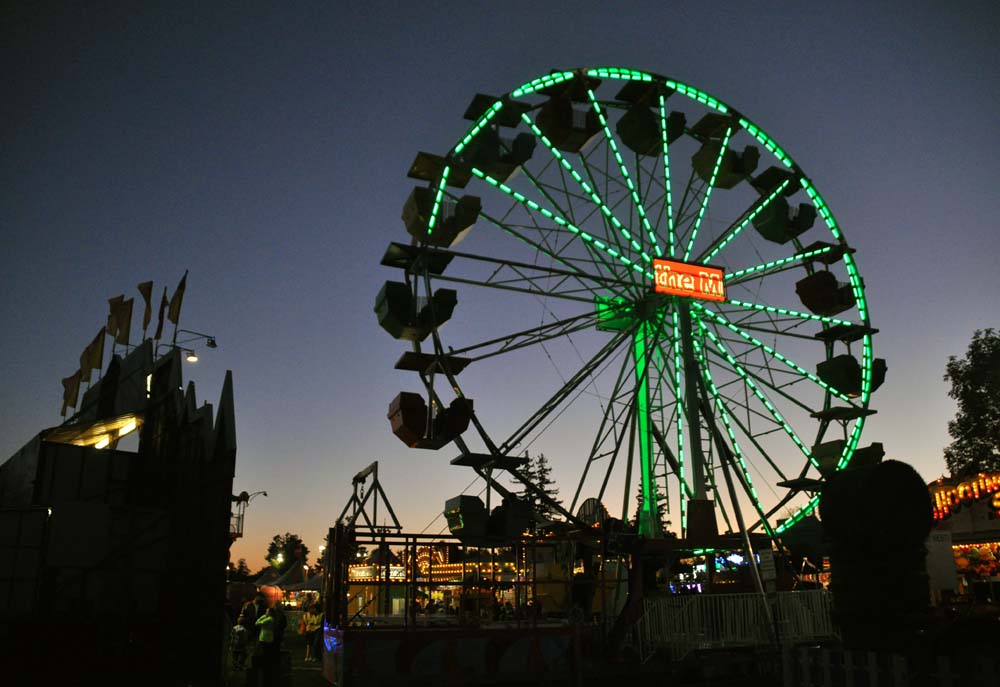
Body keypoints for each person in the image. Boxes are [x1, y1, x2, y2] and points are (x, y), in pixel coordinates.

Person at [256, 607, 278, 685]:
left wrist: (263, 616)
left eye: (267, 611)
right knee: (266, 652)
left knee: (265, 653)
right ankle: (266, 665)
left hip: (266, 638)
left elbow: (257, 623)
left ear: (270, 613)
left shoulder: (269, 619)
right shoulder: (271, 619)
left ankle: (266, 666)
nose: (266, 612)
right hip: (266, 638)